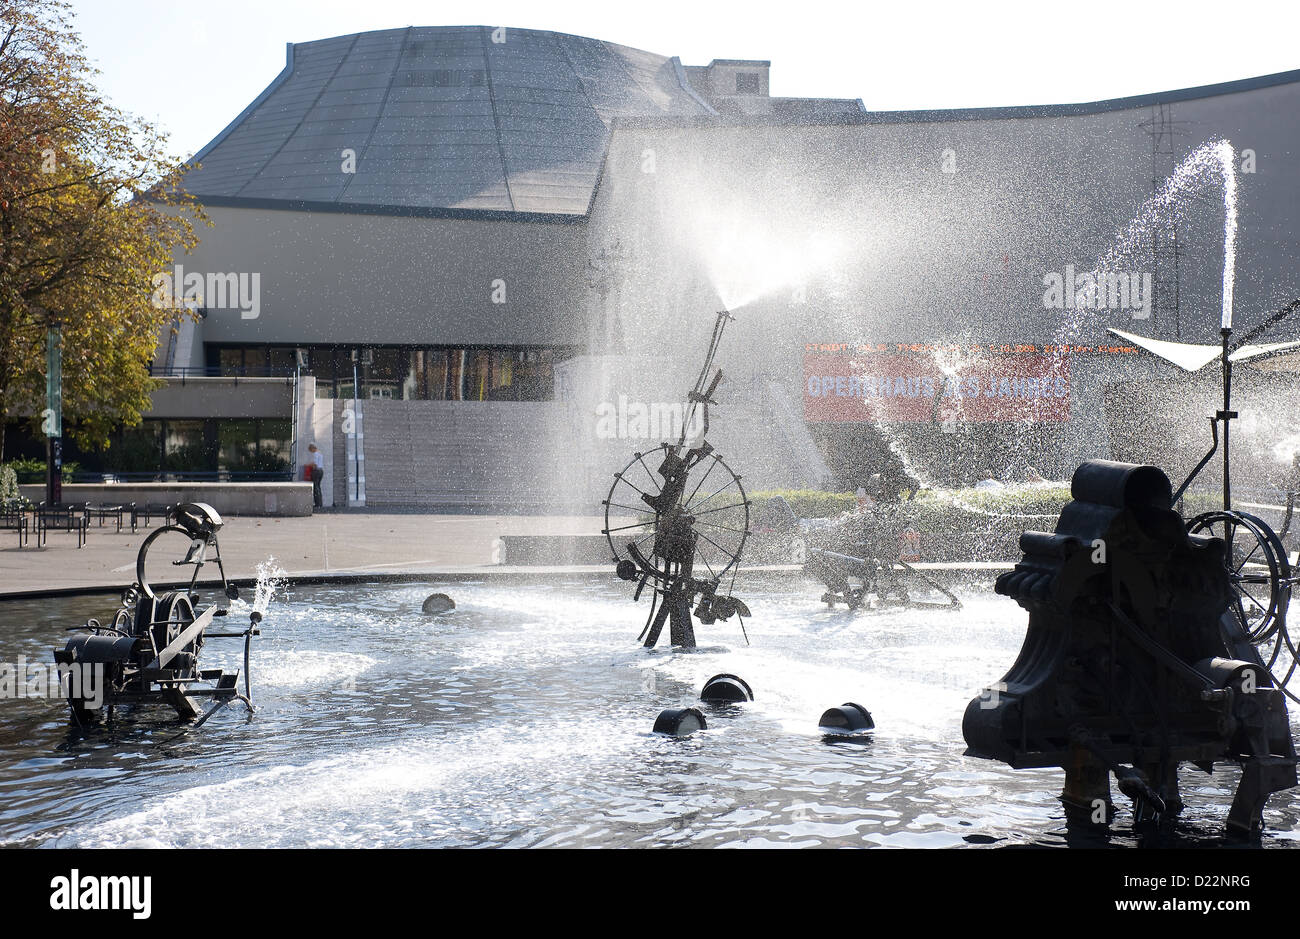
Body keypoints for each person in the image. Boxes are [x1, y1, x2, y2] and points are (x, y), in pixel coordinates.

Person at [308, 443, 324, 508]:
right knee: (318, 487)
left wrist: (308, 465)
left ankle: (317, 504)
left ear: (313, 448)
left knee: (315, 487)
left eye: (310, 450)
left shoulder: (315, 454)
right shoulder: (320, 454)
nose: (310, 451)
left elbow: (315, 464)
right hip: (321, 471)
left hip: (316, 471)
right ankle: (320, 503)